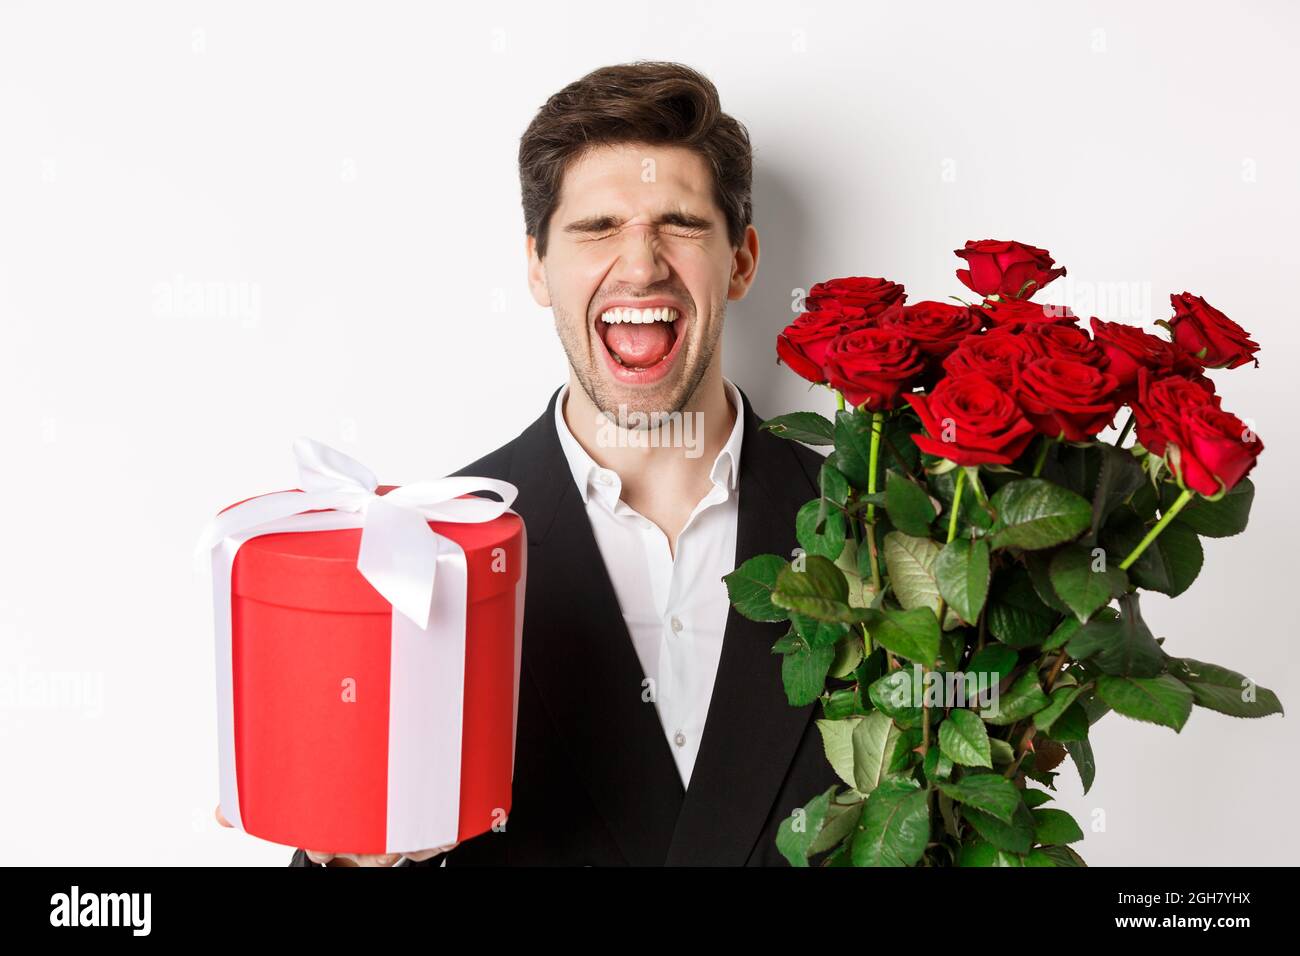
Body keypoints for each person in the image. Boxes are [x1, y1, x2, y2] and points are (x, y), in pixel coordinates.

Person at [262, 60, 837, 866]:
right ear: (536, 265)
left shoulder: (871, 530)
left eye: (679, 223)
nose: (641, 266)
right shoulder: (425, 553)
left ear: (741, 262)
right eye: (598, 228)